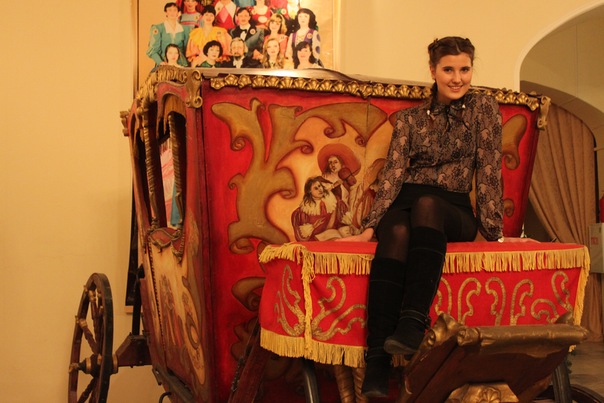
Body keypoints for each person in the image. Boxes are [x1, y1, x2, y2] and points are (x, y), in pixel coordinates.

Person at [338, 37, 503, 398]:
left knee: (428, 203)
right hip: (407, 202)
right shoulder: (409, 120)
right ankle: (378, 360)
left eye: (464, 69)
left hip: (453, 209)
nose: (457, 78)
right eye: (449, 69)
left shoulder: (484, 109)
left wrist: (492, 231)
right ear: (433, 71)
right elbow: (393, 175)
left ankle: (413, 320)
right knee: (396, 230)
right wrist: (370, 227)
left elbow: (490, 169)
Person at [291, 176, 352, 242]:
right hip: (316, 241)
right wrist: (313, 226)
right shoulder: (303, 212)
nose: (320, 189)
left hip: (334, 235)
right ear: (310, 192)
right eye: (316, 188)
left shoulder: (334, 202)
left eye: (320, 186)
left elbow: (342, 221)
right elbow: (302, 237)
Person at [146, 2, 191, 68]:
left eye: (174, 10)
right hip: (164, 64)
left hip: (181, 65)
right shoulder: (158, 28)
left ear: (178, 13)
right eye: (169, 10)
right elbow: (152, 51)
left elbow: (186, 49)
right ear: (166, 12)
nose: (172, 13)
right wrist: (160, 62)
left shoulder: (185, 29)